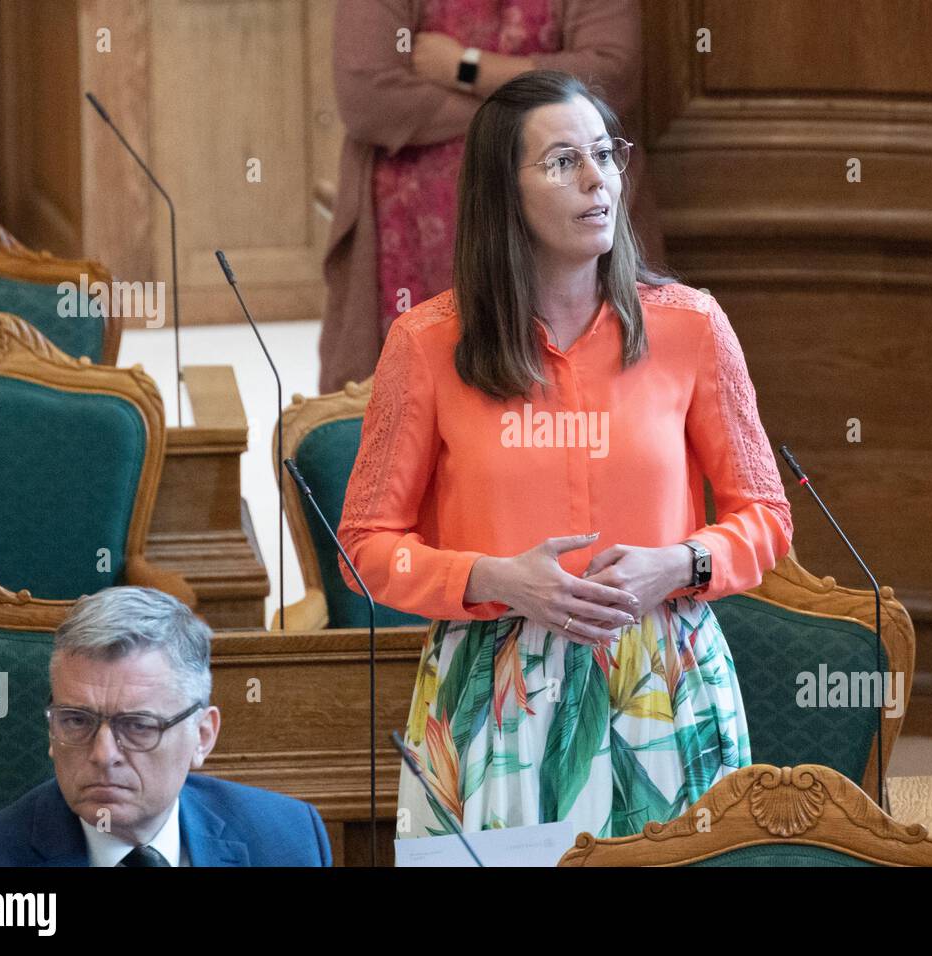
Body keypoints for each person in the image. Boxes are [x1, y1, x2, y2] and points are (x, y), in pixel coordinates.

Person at [336, 71, 794, 841]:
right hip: (494, 688)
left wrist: (677, 563)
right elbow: (365, 547)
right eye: (562, 162)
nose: (598, 180)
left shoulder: (692, 327)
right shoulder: (425, 345)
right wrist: (492, 577)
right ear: (502, 193)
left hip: (664, 683)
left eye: (606, 154)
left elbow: (766, 519)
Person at [319, 0, 665, 394]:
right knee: (411, 398)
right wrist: (535, 116)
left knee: (579, 400)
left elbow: (610, 77)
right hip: (406, 238)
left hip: (568, 241)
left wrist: (464, 67)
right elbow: (368, 97)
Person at [0, 587, 331, 866]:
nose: (103, 755)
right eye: (76, 721)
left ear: (202, 736)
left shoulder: (287, 841)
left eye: (137, 726)